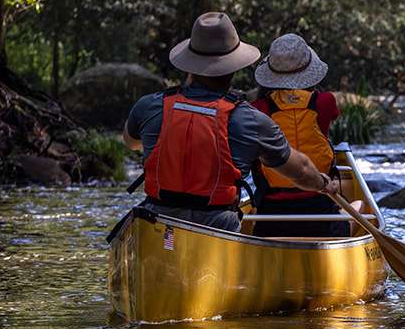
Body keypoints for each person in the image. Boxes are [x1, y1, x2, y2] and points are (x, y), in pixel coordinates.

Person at [121, 12, 334, 232]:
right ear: (234, 68)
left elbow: (132, 142)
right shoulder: (251, 120)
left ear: (188, 65)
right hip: (217, 230)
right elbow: (301, 171)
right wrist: (324, 184)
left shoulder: (149, 106)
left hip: (157, 226)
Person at [251, 33, 361, 238]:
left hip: (272, 211)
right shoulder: (325, 101)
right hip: (319, 207)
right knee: (359, 204)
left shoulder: (258, 107)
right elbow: (332, 116)